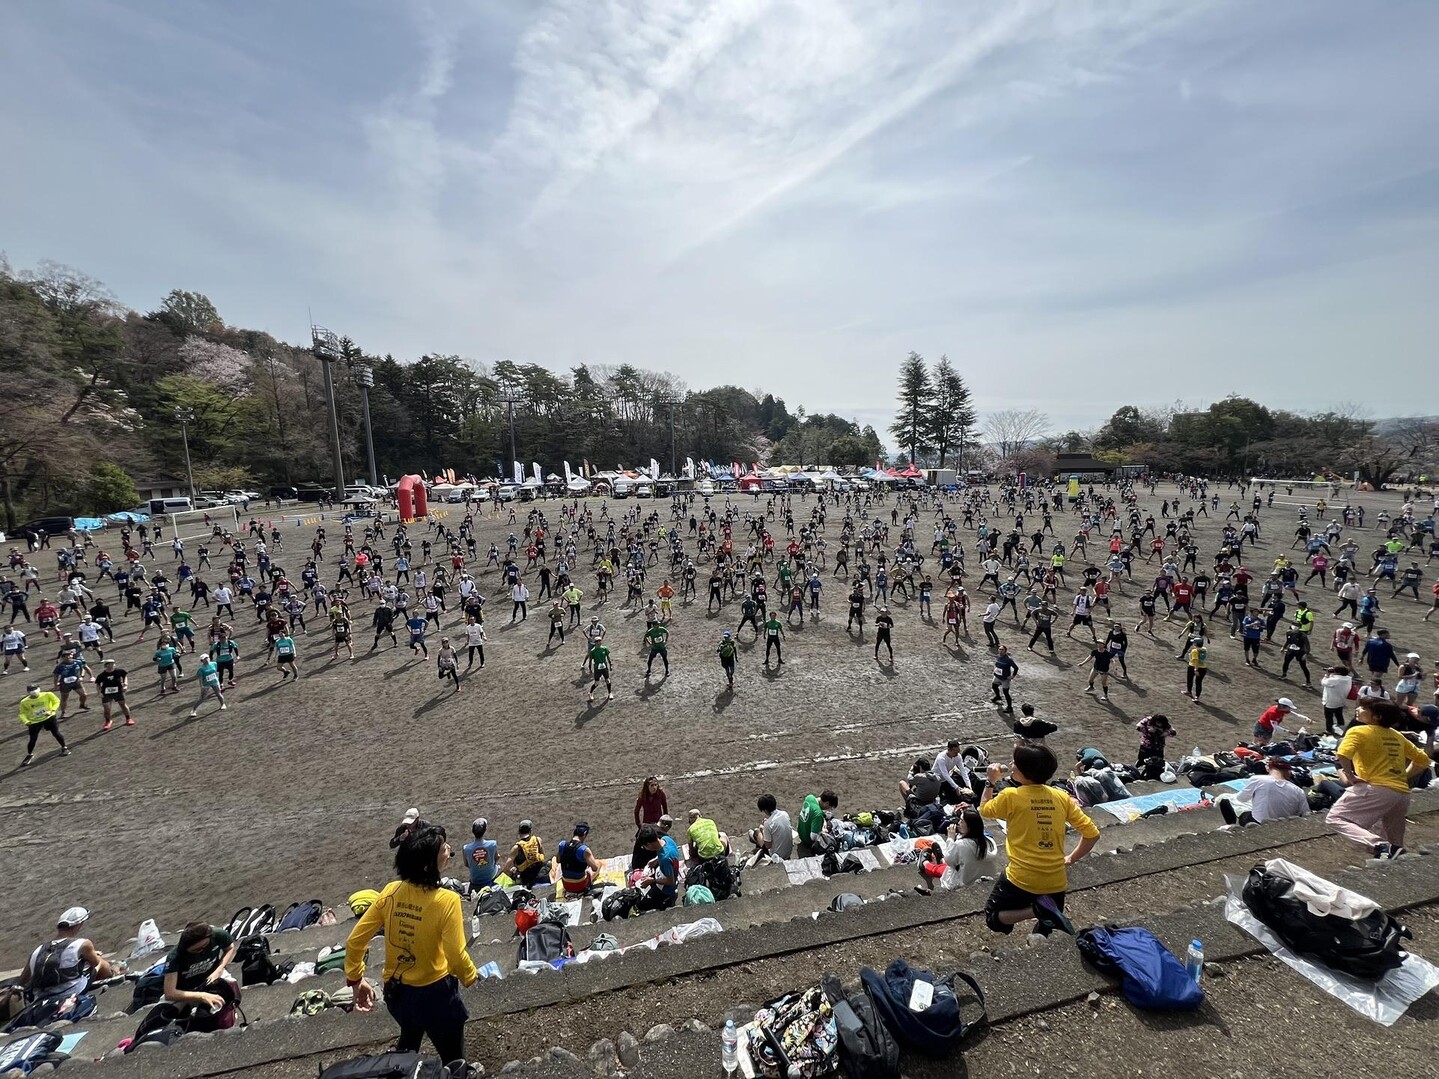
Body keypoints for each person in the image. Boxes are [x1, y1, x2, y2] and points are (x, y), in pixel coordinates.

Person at [345, 818, 477, 1069]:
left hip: (397, 993)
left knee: (410, 1033)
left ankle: (402, 1066)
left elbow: (355, 941)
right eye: (443, 849)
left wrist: (356, 978)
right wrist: (471, 976)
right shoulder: (447, 900)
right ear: (429, 865)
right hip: (436, 993)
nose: (449, 851)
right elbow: (455, 955)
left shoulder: (390, 891)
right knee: (453, 1057)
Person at [979, 744, 1100, 936]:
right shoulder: (1061, 796)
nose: (1011, 765)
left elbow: (984, 809)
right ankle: (1045, 914)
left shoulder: (1011, 796)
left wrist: (990, 781)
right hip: (1055, 880)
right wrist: (1071, 858)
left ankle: (1036, 910)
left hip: (1021, 878)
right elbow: (1092, 834)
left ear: (1024, 772)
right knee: (1049, 928)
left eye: (1015, 763)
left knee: (993, 917)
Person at [1327, 698, 1431, 857]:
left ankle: (1379, 846)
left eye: (1363, 708)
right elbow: (1423, 760)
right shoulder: (1396, 735)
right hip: (1401, 793)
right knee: (1394, 840)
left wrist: (1350, 775)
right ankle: (1391, 855)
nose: (1358, 709)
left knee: (1336, 818)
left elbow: (1342, 754)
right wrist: (1403, 776)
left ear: (1377, 717)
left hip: (1376, 788)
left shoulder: (1358, 731)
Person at [19, 906, 114, 1014]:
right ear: (78, 926)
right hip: (69, 992)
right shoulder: (82, 944)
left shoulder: (38, 950)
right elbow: (95, 963)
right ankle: (113, 974)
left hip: (39, 996)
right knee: (100, 962)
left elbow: (23, 980)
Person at [162, 921, 239, 1013]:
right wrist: (202, 996)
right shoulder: (174, 956)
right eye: (196, 950)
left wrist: (219, 969)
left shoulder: (218, 934)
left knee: (232, 991)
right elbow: (170, 993)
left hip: (212, 975)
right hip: (185, 989)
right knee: (163, 1013)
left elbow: (230, 948)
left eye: (205, 946)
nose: (201, 950)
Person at [1218, 759, 1310, 826]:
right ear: (1288, 772)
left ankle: (1231, 826)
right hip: (1285, 823)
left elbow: (1241, 798)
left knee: (1225, 800)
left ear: (1268, 768)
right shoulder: (1298, 791)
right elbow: (1306, 813)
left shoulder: (1258, 779)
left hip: (1257, 821)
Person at [939, 808, 1001, 889]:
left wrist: (950, 838)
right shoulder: (989, 841)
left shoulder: (961, 845)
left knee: (944, 865)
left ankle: (927, 864)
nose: (958, 823)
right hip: (986, 877)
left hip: (966, 881)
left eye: (961, 821)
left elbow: (950, 861)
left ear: (969, 826)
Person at [19, 683, 68, 767]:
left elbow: (56, 701)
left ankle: (64, 747)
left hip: (49, 718)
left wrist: (52, 710)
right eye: (31, 690)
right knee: (32, 739)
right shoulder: (24, 702)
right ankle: (29, 754)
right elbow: (22, 713)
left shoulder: (47, 694)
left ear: (39, 688)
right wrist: (26, 721)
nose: (33, 691)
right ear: (28, 692)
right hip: (34, 721)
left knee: (56, 733)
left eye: (34, 689)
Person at [634, 824, 681, 912]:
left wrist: (652, 880)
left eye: (644, 846)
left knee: (643, 905)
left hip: (665, 889)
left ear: (648, 844)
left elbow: (670, 881)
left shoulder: (665, 859)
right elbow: (668, 852)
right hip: (668, 871)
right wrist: (656, 860)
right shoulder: (666, 839)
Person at [553, 822, 603, 896]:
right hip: (580, 885)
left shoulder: (562, 844)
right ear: (585, 833)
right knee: (598, 863)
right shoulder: (584, 849)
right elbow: (595, 868)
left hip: (566, 885)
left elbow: (558, 860)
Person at [632, 776, 669, 869]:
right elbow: (636, 811)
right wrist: (639, 825)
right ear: (647, 787)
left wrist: (665, 822)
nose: (654, 788)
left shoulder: (660, 794)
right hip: (647, 824)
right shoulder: (642, 796)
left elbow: (665, 807)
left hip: (658, 824)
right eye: (652, 785)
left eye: (656, 785)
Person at [500, 820, 549, 886]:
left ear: (519, 832)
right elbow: (542, 856)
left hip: (525, 877)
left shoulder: (516, 848)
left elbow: (505, 869)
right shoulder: (538, 840)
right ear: (530, 831)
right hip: (539, 871)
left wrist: (513, 876)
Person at [748, 793, 793, 860]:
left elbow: (768, 846)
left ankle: (755, 838)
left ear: (765, 810)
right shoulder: (784, 814)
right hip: (788, 853)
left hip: (776, 856)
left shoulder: (768, 824)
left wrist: (763, 830)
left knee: (757, 831)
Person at [95, 657, 133, 729]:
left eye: (113, 664)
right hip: (106, 693)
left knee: (123, 704)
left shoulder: (119, 671)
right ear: (106, 665)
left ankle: (128, 718)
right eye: (110, 664)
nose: (112, 665)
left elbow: (125, 676)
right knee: (107, 708)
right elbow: (98, 684)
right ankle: (108, 721)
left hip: (118, 691)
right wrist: (99, 693)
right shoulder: (101, 675)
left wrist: (125, 684)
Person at [462, 818, 498, 892]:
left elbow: (466, 864)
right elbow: (497, 857)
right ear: (485, 830)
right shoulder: (493, 844)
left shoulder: (466, 848)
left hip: (475, 880)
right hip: (490, 876)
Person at [1319, 665, 1354, 734]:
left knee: (1329, 717)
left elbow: (1323, 682)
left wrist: (1327, 675)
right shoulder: (1348, 679)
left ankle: (1329, 730)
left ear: (1338, 673)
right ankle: (1341, 728)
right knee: (1339, 715)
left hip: (1330, 702)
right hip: (1341, 701)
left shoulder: (1334, 680)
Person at [991, 644, 1018, 712]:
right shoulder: (998, 656)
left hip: (1005, 678)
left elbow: (1016, 668)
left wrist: (1012, 676)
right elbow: (997, 664)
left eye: (1002, 650)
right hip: (997, 676)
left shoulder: (1008, 659)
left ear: (1005, 651)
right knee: (994, 686)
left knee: (1006, 693)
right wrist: (995, 670)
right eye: (999, 649)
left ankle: (1010, 707)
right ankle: (998, 696)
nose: (1000, 651)